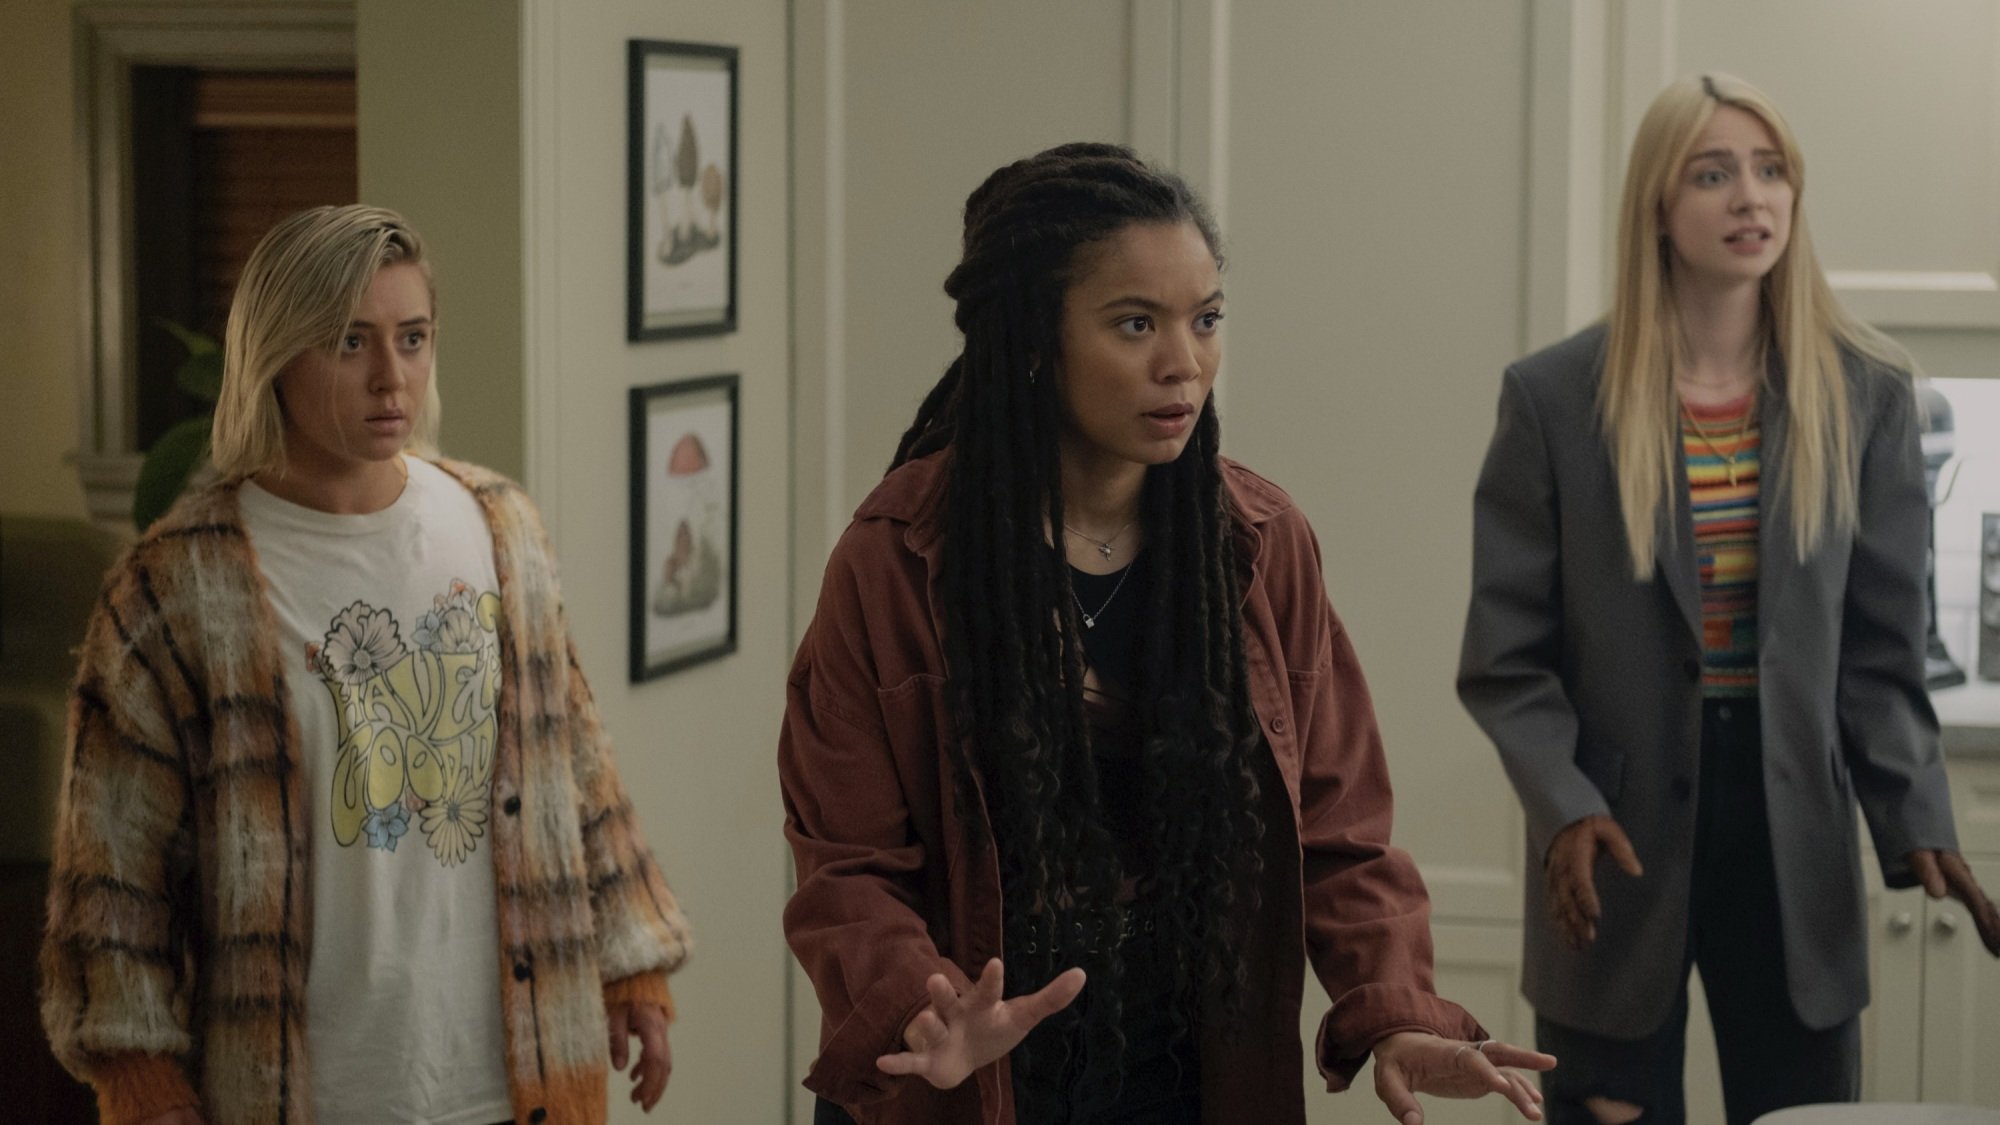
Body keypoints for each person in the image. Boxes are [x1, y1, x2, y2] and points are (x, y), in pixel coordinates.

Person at [780, 142, 1554, 1125]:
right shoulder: (896, 558)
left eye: (1205, 319)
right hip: (967, 1076)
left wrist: (1394, 1013)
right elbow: (847, 860)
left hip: (1190, 1068)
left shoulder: (1259, 545)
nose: (1182, 362)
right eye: (1134, 323)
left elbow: (1339, 834)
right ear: (1030, 336)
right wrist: (921, 1008)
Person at [40, 205, 693, 1125]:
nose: (392, 377)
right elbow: (112, 872)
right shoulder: (175, 588)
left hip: (520, 1075)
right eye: (350, 343)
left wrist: (634, 961)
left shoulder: (499, 526)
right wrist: (139, 1081)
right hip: (301, 1088)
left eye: (412, 338)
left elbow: (574, 758)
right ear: (275, 355)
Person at [1458, 74, 2000, 1125]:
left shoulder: (1867, 392)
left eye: (1769, 171)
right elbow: (1505, 659)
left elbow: (1879, 655)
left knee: (1803, 1115)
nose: (1749, 197)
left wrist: (1916, 815)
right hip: (1609, 834)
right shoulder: (1553, 397)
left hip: (1789, 824)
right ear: (1657, 207)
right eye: (1711, 174)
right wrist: (1563, 803)